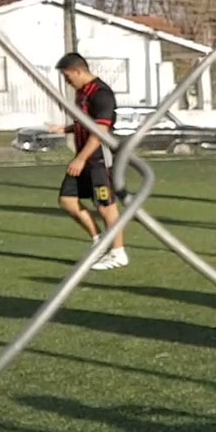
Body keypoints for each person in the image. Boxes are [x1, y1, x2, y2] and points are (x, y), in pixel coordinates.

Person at [48, 53, 128, 271]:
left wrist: (81, 159)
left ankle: (118, 253)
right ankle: (99, 242)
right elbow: (85, 123)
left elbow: (100, 131)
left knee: (106, 207)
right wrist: (65, 129)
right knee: (67, 200)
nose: (67, 82)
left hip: (99, 158)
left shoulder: (101, 94)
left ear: (78, 71)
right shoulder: (82, 93)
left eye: (67, 77)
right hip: (83, 157)